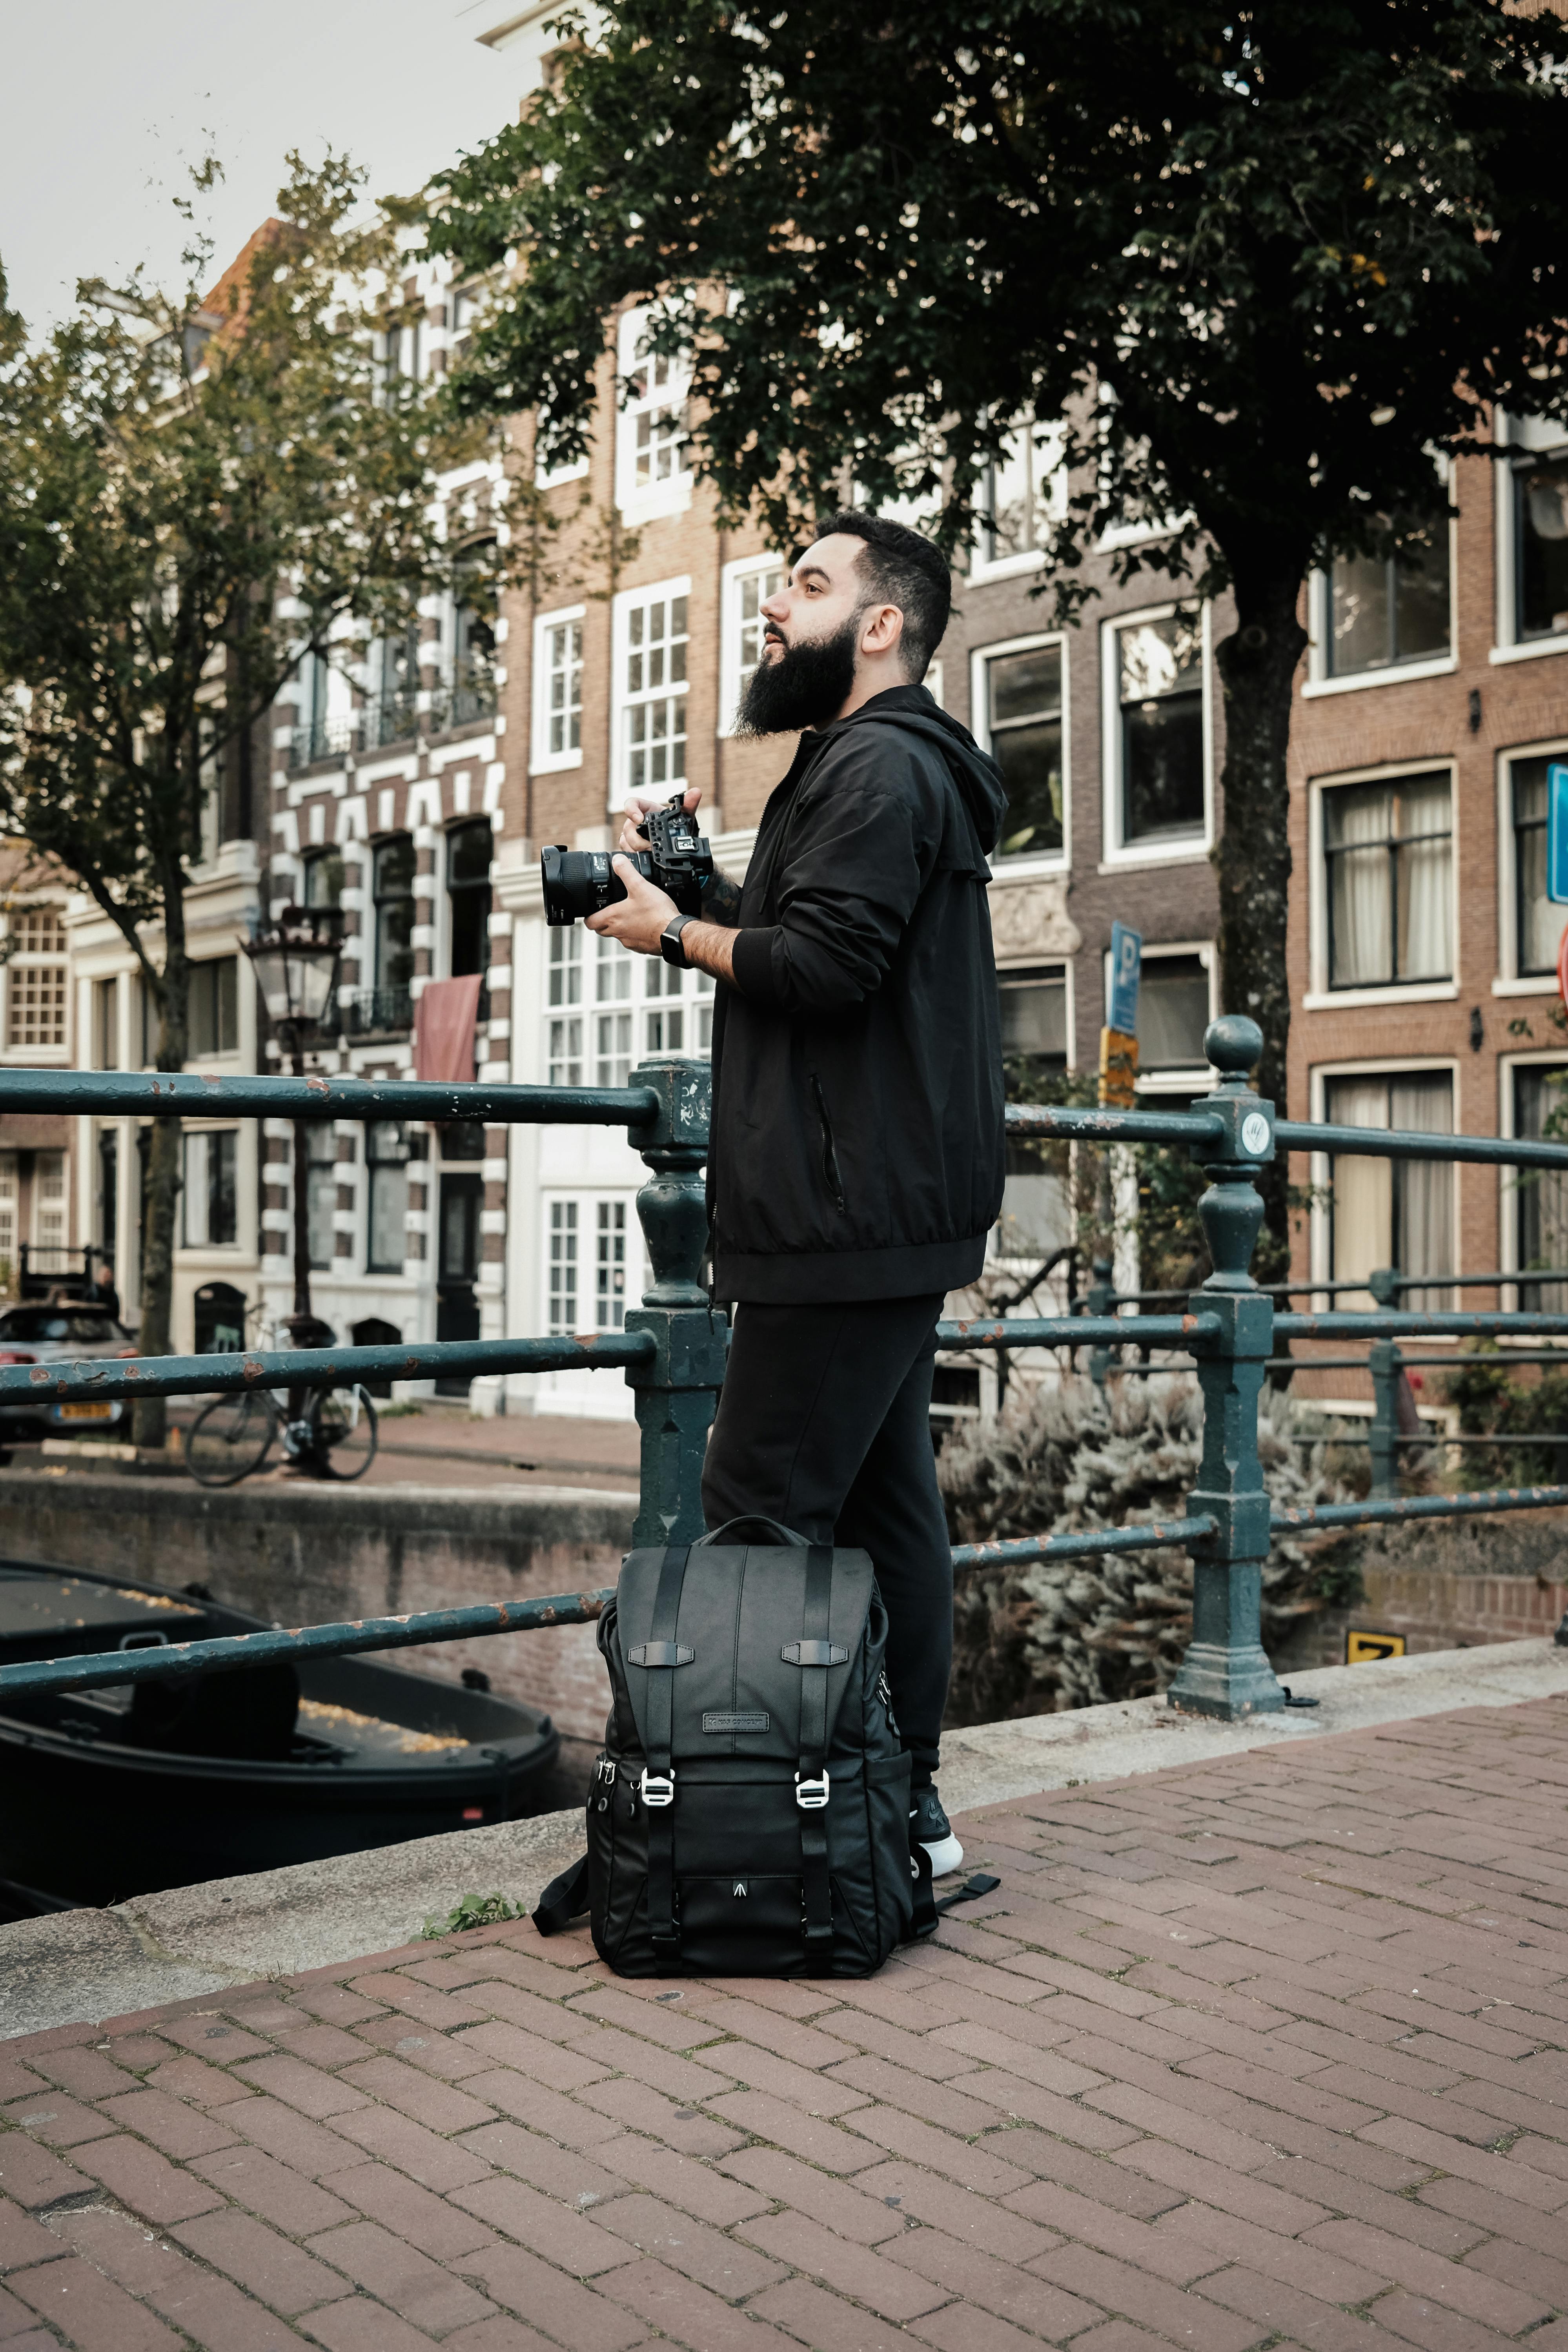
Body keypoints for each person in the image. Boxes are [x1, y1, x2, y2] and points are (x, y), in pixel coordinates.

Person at [586, 510, 1006, 1877]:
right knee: (889, 1518)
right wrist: (696, 882)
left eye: (807, 586)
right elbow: (806, 940)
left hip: (842, 1213)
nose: (776, 606)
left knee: (758, 1511)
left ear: (879, 625)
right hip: (878, 1206)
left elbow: (823, 972)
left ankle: (733, 1839)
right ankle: (911, 1816)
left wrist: (673, 926)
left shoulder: (881, 770)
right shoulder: (862, 766)